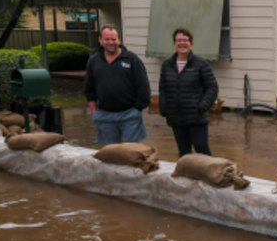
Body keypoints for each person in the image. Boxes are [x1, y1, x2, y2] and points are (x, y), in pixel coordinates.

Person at [84, 25, 150, 144]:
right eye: (107, 39)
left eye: (114, 39)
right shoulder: (94, 61)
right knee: (110, 156)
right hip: (104, 115)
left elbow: (143, 87)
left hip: (129, 115)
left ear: (119, 40)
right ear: (100, 40)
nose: (111, 42)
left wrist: (137, 109)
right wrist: (94, 111)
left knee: (134, 153)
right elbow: (89, 88)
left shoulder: (132, 59)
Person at [158, 27, 219, 156]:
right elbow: (163, 88)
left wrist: (202, 106)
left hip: (196, 117)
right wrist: (163, 108)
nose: (182, 43)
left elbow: (212, 87)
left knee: (202, 149)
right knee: (183, 151)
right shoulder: (167, 65)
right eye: (179, 40)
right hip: (176, 117)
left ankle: (207, 175)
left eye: (186, 40)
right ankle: (186, 175)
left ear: (191, 44)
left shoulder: (201, 64)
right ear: (174, 43)